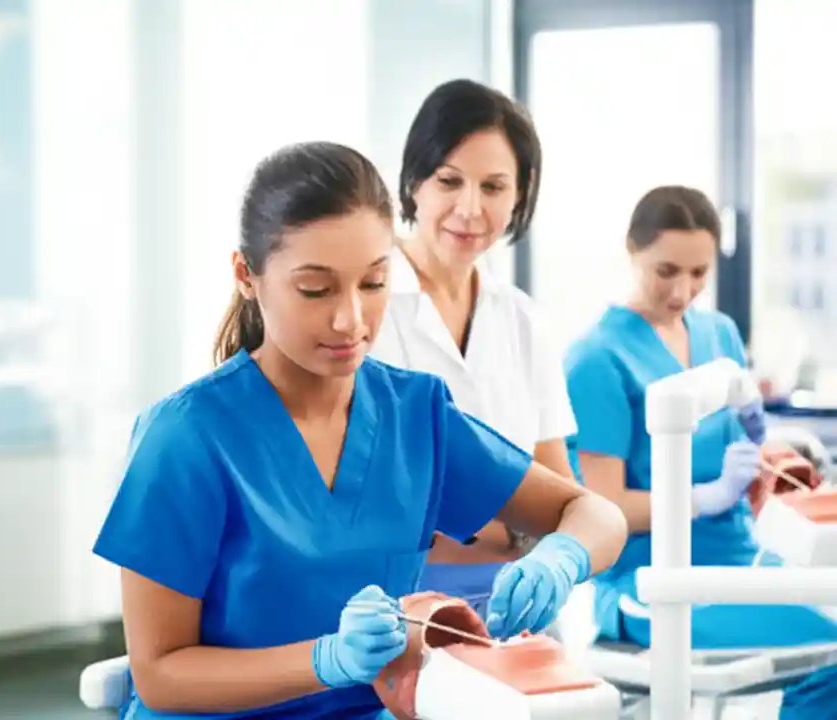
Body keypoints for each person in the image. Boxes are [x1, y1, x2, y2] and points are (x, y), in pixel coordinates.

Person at [92, 142, 627, 719]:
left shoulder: (414, 414)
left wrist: (562, 559)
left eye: (373, 283)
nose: (351, 319)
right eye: (316, 290)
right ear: (247, 275)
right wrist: (325, 661)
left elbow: (595, 513)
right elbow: (159, 674)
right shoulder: (186, 437)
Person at [564, 185, 837, 718]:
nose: (682, 290)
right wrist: (702, 497)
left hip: (742, 557)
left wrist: (766, 458)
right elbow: (603, 506)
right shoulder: (596, 359)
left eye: (698, 273)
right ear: (630, 250)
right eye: (666, 271)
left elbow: (742, 448)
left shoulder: (719, 333)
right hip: (646, 584)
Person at [369, 78, 577, 620]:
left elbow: (562, 492)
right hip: (401, 606)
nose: (470, 208)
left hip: (522, 603)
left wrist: (520, 538)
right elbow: (384, 510)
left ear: (520, 194)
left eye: (493, 187)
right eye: (449, 180)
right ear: (415, 182)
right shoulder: (370, 307)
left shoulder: (520, 318)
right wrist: (517, 526)